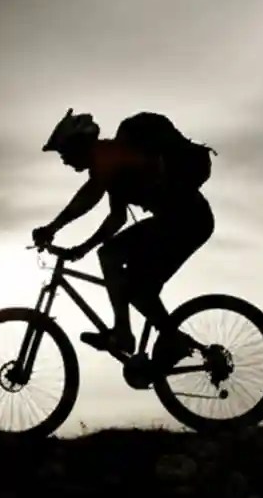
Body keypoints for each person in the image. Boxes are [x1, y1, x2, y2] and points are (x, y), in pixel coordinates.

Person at [30, 108, 214, 375]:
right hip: (183, 222)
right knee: (136, 286)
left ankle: (124, 334)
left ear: (78, 145)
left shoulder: (110, 155)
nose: (64, 161)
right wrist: (82, 249)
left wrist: (53, 227)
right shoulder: (115, 168)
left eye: (64, 153)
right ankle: (168, 340)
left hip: (186, 220)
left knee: (116, 261)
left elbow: (89, 196)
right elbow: (116, 219)